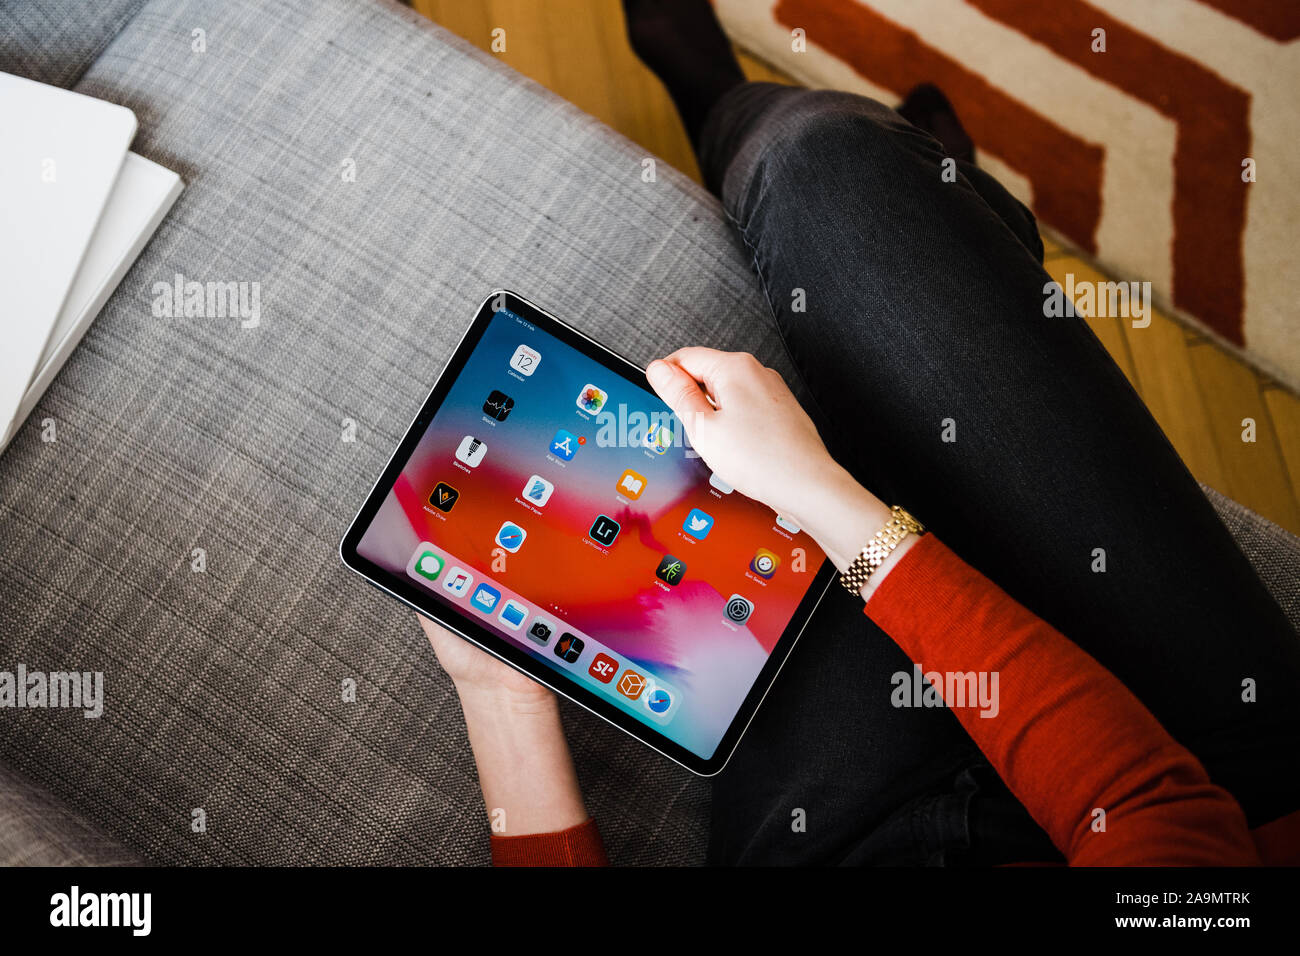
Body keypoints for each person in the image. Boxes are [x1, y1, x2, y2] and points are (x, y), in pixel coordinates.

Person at [418, 0, 1300, 866]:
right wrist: (826, 501)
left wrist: (500, 689)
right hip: (1213, 793)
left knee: (822, 166)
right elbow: (1147, 802)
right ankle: (915, 190)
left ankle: (727, 100)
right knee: (845, 171)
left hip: (832, 833)